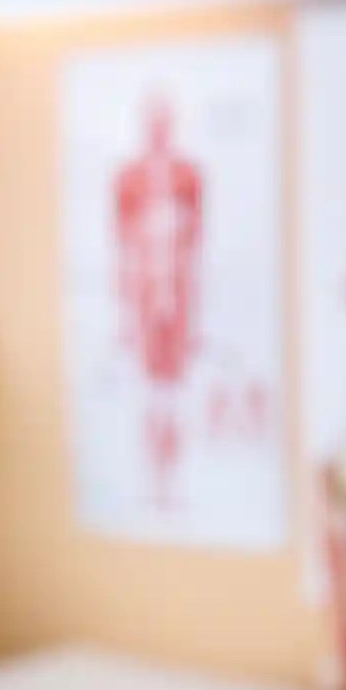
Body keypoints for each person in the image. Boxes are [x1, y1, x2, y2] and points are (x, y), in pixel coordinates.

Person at [114, 95, 203, 509]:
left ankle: (175, 478)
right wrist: (126, 316)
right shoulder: (128, 178)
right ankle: (153, 480)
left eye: (164, 122)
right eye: (153, 122)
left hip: (178, 295)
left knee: (174, 394)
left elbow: (197, 245)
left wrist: (195, 317)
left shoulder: (188, 175)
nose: (158, 130)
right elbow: (121, 246)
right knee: (151, 394)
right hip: (145, 296)